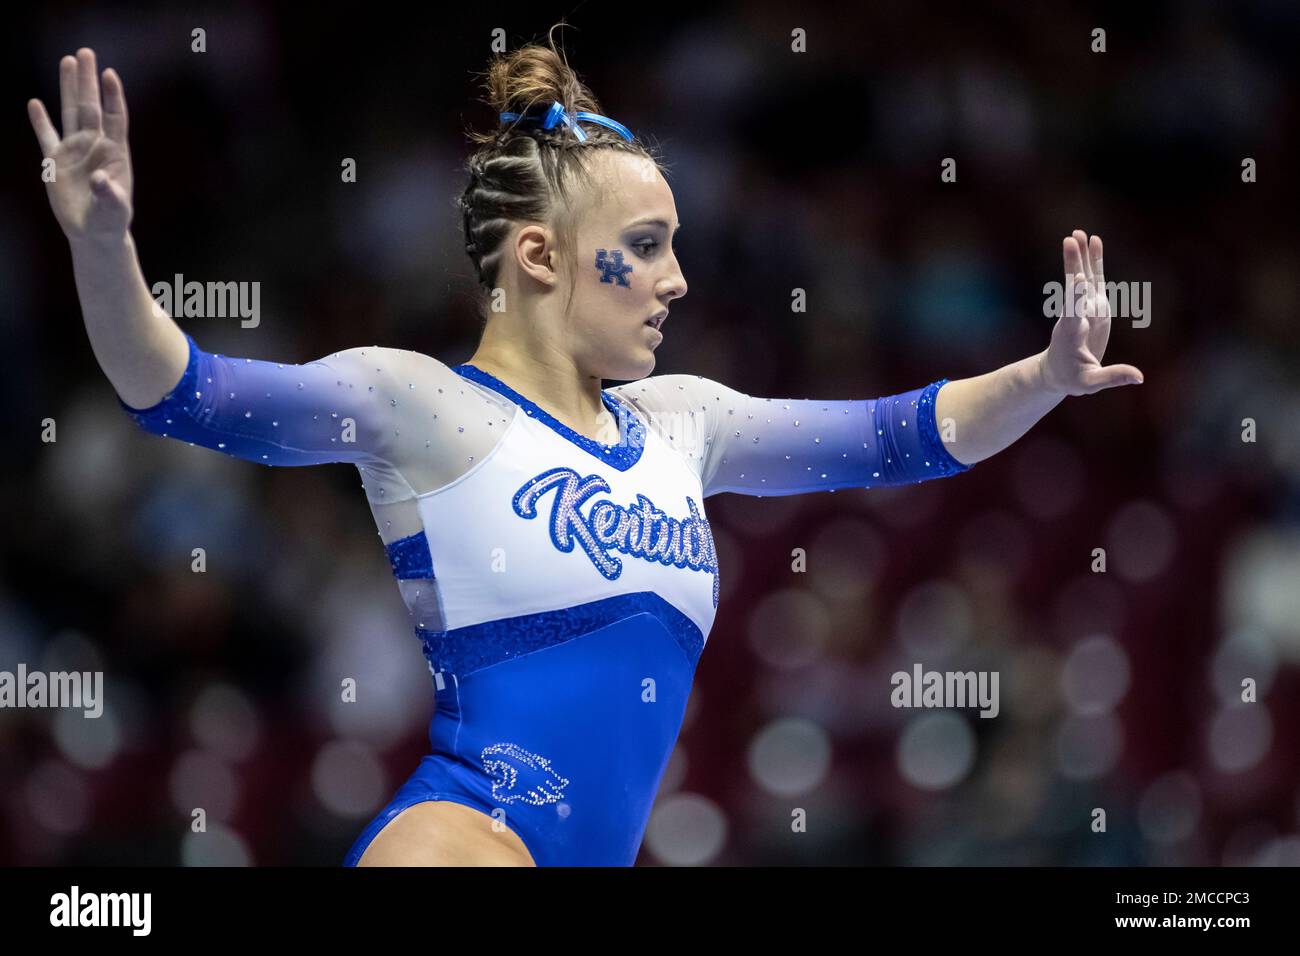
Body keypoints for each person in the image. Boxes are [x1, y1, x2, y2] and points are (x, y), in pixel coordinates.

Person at [27, 31, 1142, 867]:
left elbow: (903, 437)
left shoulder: (682, 421)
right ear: (540, 256)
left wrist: (1042, 378)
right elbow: (176, 389)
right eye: (646, 247)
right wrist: (104, 246)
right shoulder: (420, 403)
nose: (677, 280)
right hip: (464, 834)